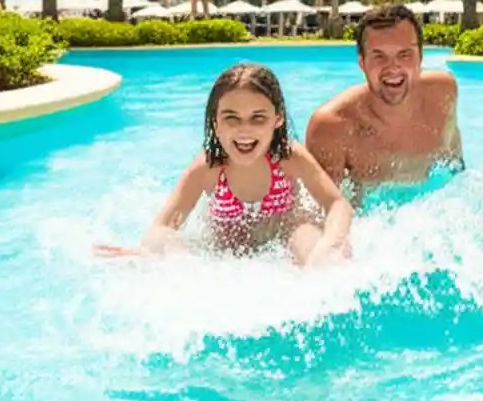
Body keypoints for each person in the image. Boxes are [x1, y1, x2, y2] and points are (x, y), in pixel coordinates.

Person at [94, 63, 352, 266]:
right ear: (215, 123)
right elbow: (166, 224)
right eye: (232, 118)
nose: (244, 130)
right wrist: (149, 251)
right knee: (177, 254)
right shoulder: (208, 168)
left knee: (306, 235)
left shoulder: (287, 157)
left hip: (284, 235)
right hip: (228, 248)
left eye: (258, 118)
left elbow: (336, 203)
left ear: (278, 120)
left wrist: (331, 242)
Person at [305, 3, 463, 206]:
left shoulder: (442, 93)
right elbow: (324, 213)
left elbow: (458, 172)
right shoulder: (332, 126)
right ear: (362, 63)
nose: (393, 67)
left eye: (404, 54)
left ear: (420, 58)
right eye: (379, 56)